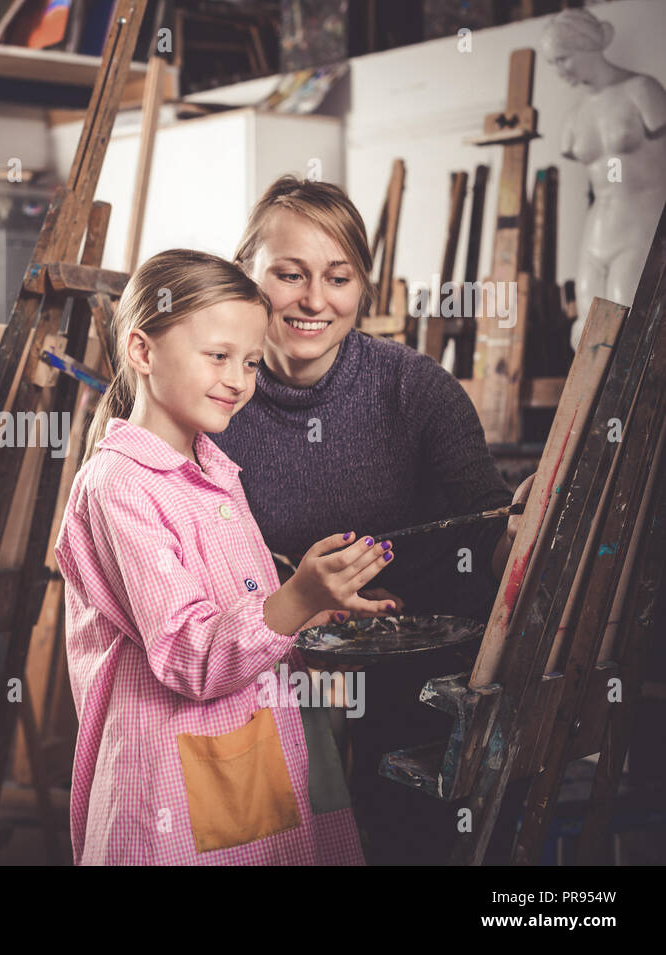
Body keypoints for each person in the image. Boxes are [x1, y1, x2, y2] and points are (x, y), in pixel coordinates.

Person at [212, 175, 533, 864]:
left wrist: (531, 523)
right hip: (268, 669)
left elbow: (489, 531)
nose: (314, 300)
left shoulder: (416, 389)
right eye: (290, 275)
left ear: (364, 286)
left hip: (415, 666)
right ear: (246, 274)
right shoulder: (215, 399)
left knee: (414, 832)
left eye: (339, 277)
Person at [54, 249, 396, 865]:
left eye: (251, 361)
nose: (239, 380)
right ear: (142, 351)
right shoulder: (119, 486)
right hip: (171, 788)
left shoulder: (213, 470)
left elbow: (243, 612)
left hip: (253, 758)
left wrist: (317, 607)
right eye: (218, 356)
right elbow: (189, 653)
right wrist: (293, 599)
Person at [540, 7, 666, 349]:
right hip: (597, 231)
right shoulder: (576, 116)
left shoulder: (642, 91)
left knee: (632, 331)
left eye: (563, 58)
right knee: (585, 332)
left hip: (643, 221)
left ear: (588, 45)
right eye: (552, 62)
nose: (558, 70)